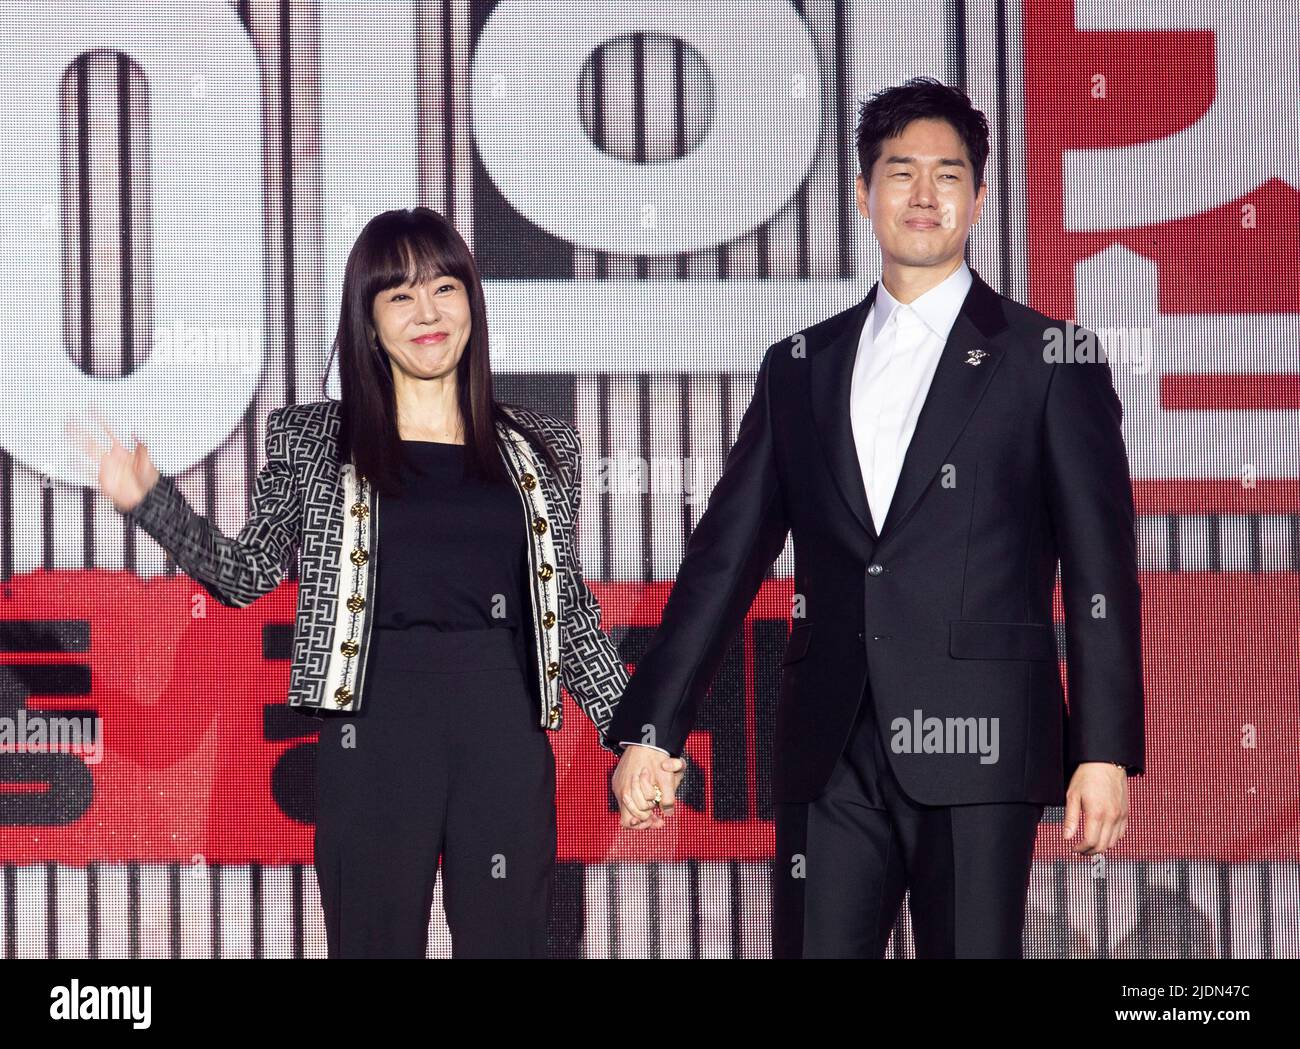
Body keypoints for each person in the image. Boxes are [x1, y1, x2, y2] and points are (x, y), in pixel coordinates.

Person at [607, 78, 1144, 958]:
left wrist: (1105, 748)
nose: (924, 195)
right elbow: (724, 561)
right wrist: (655, 727)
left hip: (985, 744)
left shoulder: (1050, 357)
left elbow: (1100, 570)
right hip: (830, 748)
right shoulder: (800, 365)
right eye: (901, 173)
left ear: (978, 196)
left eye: (948, 174)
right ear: (864, 195)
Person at [72, 206, 684, 958]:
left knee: (511, 943)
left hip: (503, 725)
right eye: (399, 295)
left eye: (444, 288)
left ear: (471, 302)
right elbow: (246, 572)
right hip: (374, 725)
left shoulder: (539, 443)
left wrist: (635, 737)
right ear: (368, 322)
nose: (427, 312)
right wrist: (152, 504)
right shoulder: (313, 439)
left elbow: (572, 616)